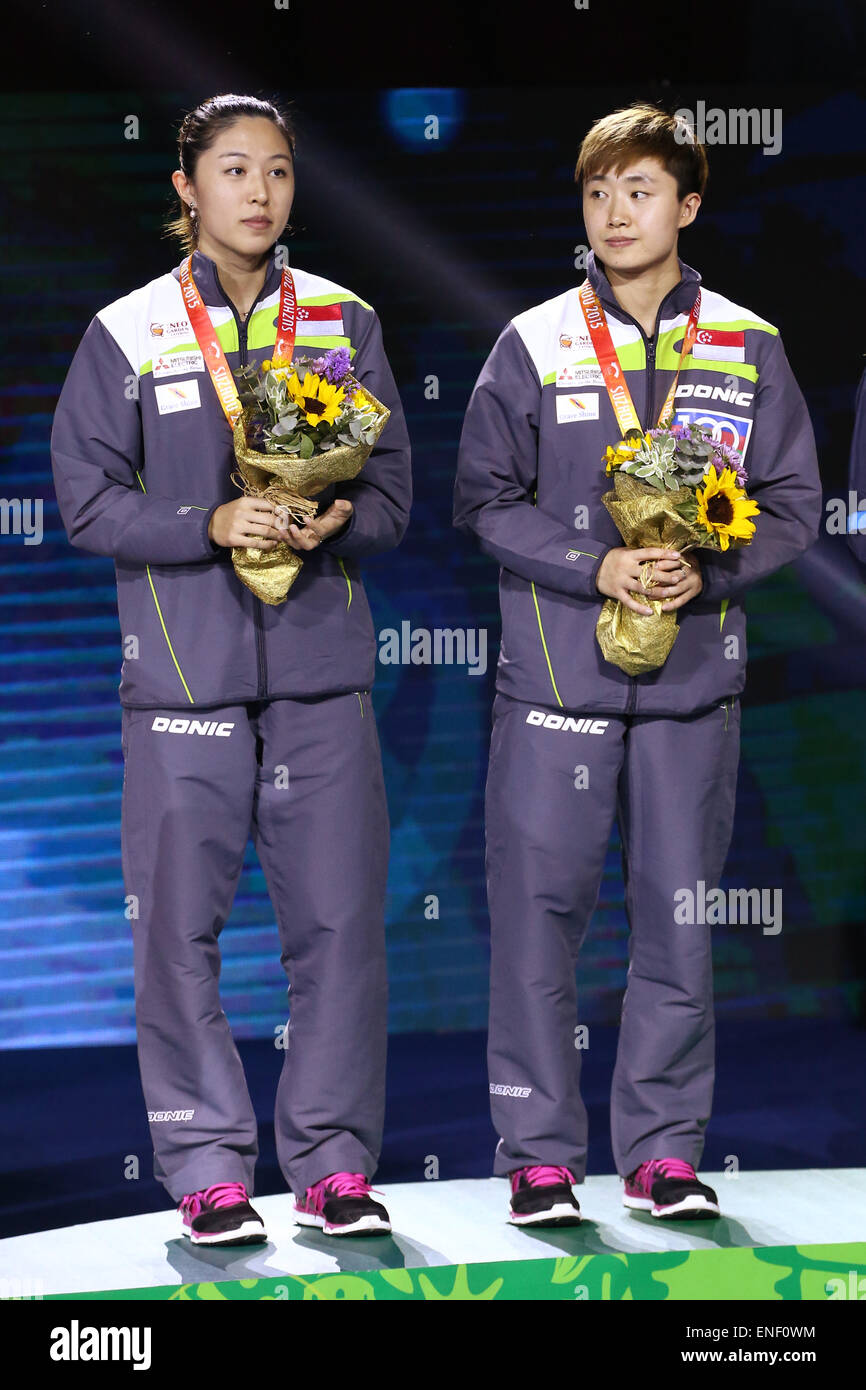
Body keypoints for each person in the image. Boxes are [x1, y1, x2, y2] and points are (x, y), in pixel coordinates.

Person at [50, 93, 412, 1243]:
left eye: (278, 172)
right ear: (185, 189)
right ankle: (207, 1166)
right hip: (183, 682)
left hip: (319, 675)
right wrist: (207, 525)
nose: (259, 193)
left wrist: (331, 519)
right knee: (177, 934)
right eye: (234, 170)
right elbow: (85, 498)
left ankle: (333, 1166)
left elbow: (395, 499)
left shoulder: (343, 324)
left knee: (342, 926)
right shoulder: (130, 329)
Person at [453, 102, 821, 1227]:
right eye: (597, 193)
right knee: (536, 920)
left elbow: (793, 503)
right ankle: (537, 1157)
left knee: (675, 919)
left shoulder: (746, 342)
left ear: (687, 205)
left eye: (639, 191)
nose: (615, 214)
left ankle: (661, 1152)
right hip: (556, 686)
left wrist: (704, 575)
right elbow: (482, 499)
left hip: (687, 686)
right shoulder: (533, 341)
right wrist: (593, 563)